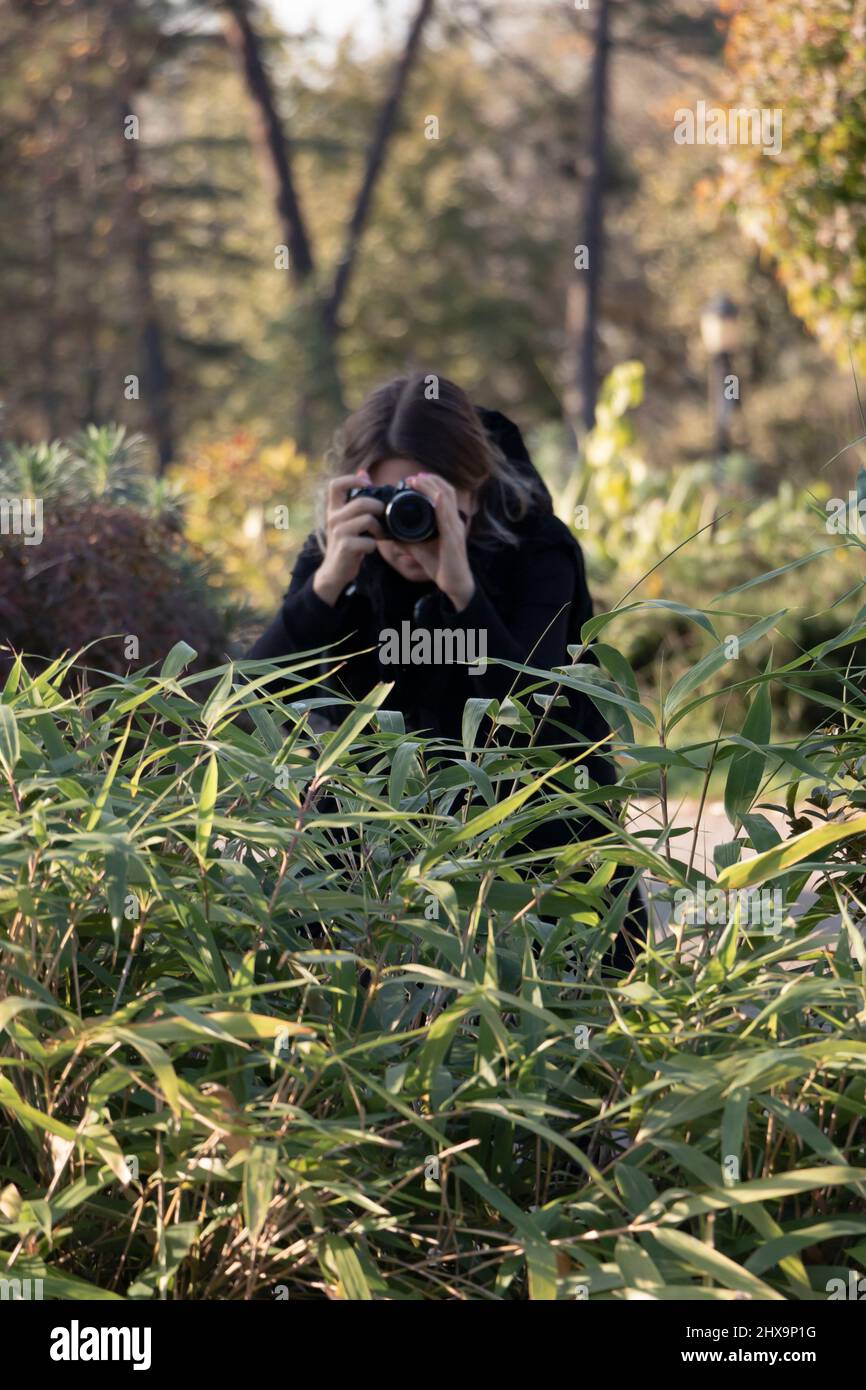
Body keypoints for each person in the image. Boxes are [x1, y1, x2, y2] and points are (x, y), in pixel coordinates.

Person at [249, 372, 642, 968]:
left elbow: (541, 719)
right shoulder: (342, 556)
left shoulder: (537, 550)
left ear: (475, 486)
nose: (408, 536)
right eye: (390, 506)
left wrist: (462, 589)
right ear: (357, 494)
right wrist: (327, 585)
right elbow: (246, 704)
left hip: (535, 847)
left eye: (427, 505)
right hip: (374, 853)